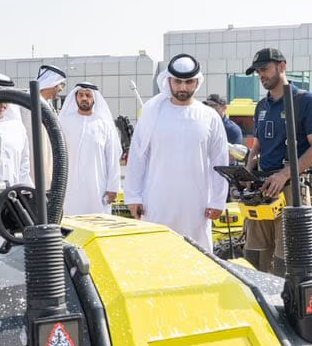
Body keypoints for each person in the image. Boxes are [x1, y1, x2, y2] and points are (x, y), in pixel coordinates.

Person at [124, 54, 227, 251]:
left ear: (197, 82)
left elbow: (219, 161)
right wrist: (133, 197)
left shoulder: (209, 116)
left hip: (196, 206)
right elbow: (138, 157)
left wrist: (217, 200)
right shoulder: (152, 113)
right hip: (156, 202)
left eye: (189, 82)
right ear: (168, 80)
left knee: (196, 256)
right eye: (178, 81)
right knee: (157, 253)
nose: (182, 87)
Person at [243, 48, 312, 274]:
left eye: (265, 69)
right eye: (258, 71)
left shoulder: (305, 101)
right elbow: (257, 146)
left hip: (291, 190)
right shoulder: (262, 106)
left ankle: (286, 305)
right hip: (263, 190)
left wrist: (284, 174)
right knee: (254, 256)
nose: (261, 75)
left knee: (287, 257)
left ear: (282, 66)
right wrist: (249, 169)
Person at [59, 82, 120, 215]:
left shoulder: (104, 124)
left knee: (98, 220)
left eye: (88, 95)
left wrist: (113, 187)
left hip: (98, 185)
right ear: (76, 98)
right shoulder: (64, 122)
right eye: (80, 95)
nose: (84, 98)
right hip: (70, 186)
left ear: (94, 99)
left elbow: (113, 158)